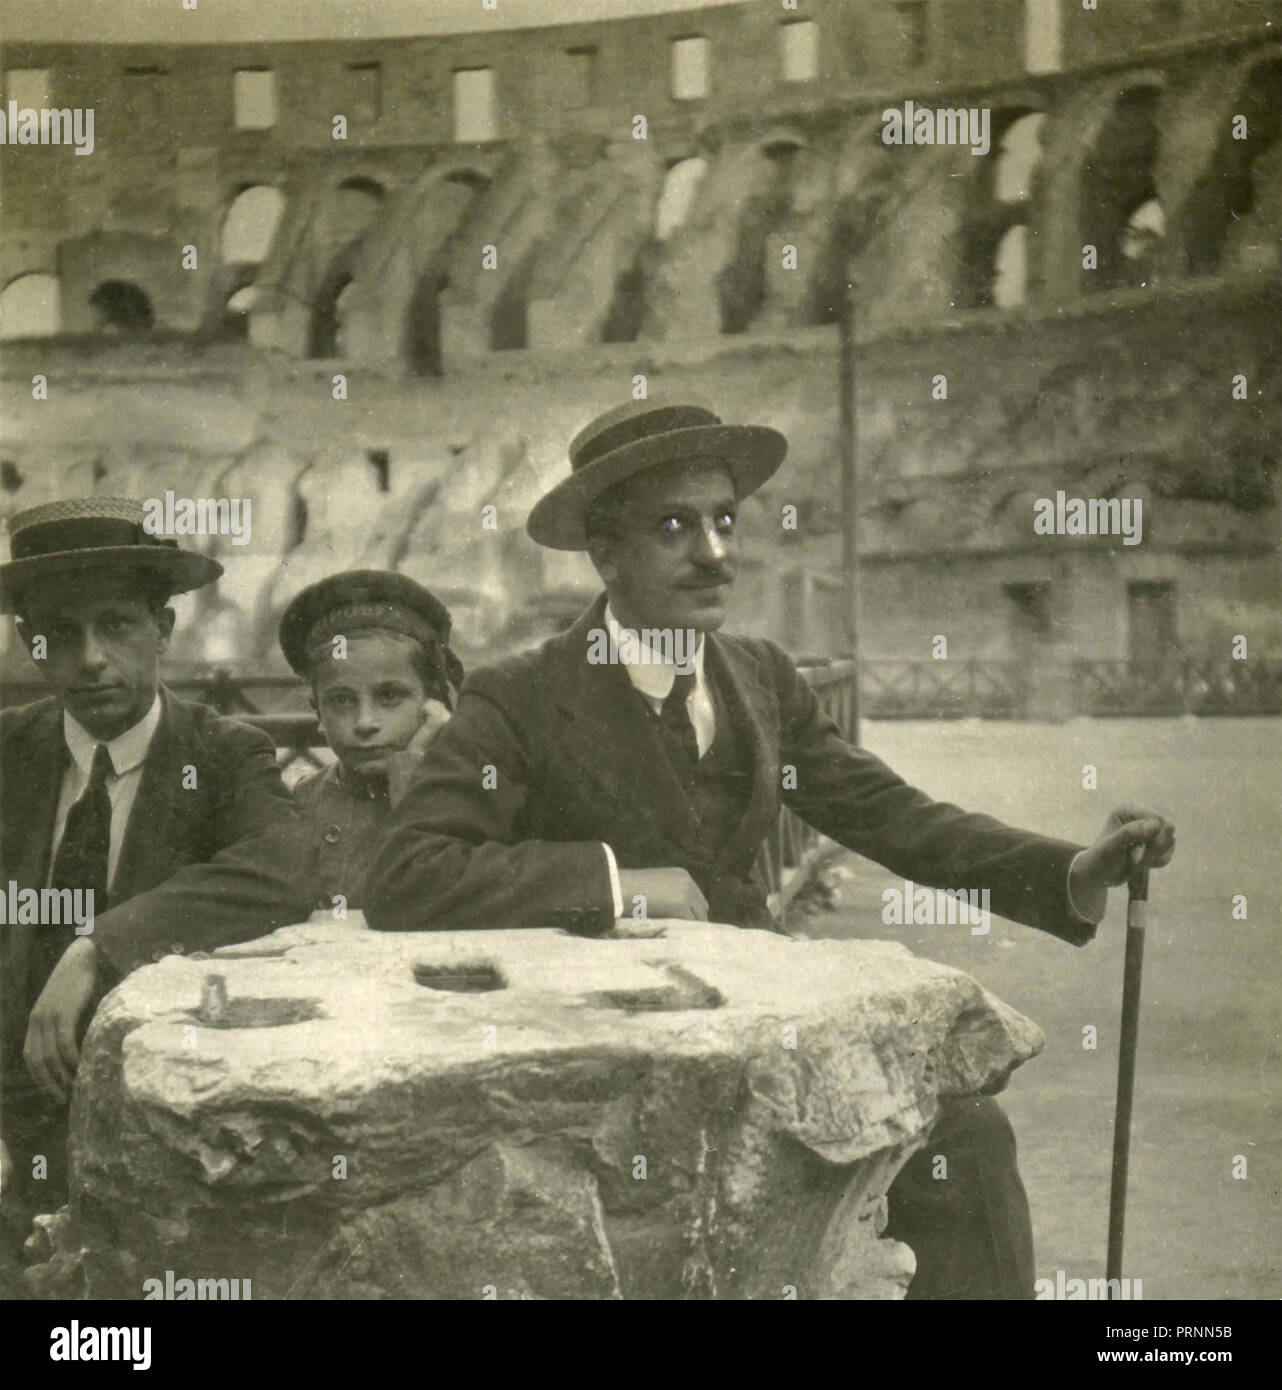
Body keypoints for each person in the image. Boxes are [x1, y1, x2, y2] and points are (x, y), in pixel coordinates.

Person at [363, 399, 1176, 1298]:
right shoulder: (519, 697)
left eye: (723, 520)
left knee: (965, 1135)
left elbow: (894, 817)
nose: (715, 553)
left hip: (761, 1039)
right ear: (606, 553)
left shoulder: (758, 677)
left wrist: (1070, 870)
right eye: (674, 527)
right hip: (604, 1065)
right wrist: (617, 886)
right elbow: (406, 875)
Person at [0, 497, 290, 1242]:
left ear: (163, 630)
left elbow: (281, 870)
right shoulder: (8, 754)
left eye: (117, 626)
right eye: (61, 635)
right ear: (31, 646)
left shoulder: (225, 755)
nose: (91, 658)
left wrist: (97, 945)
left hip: (161, 1131)